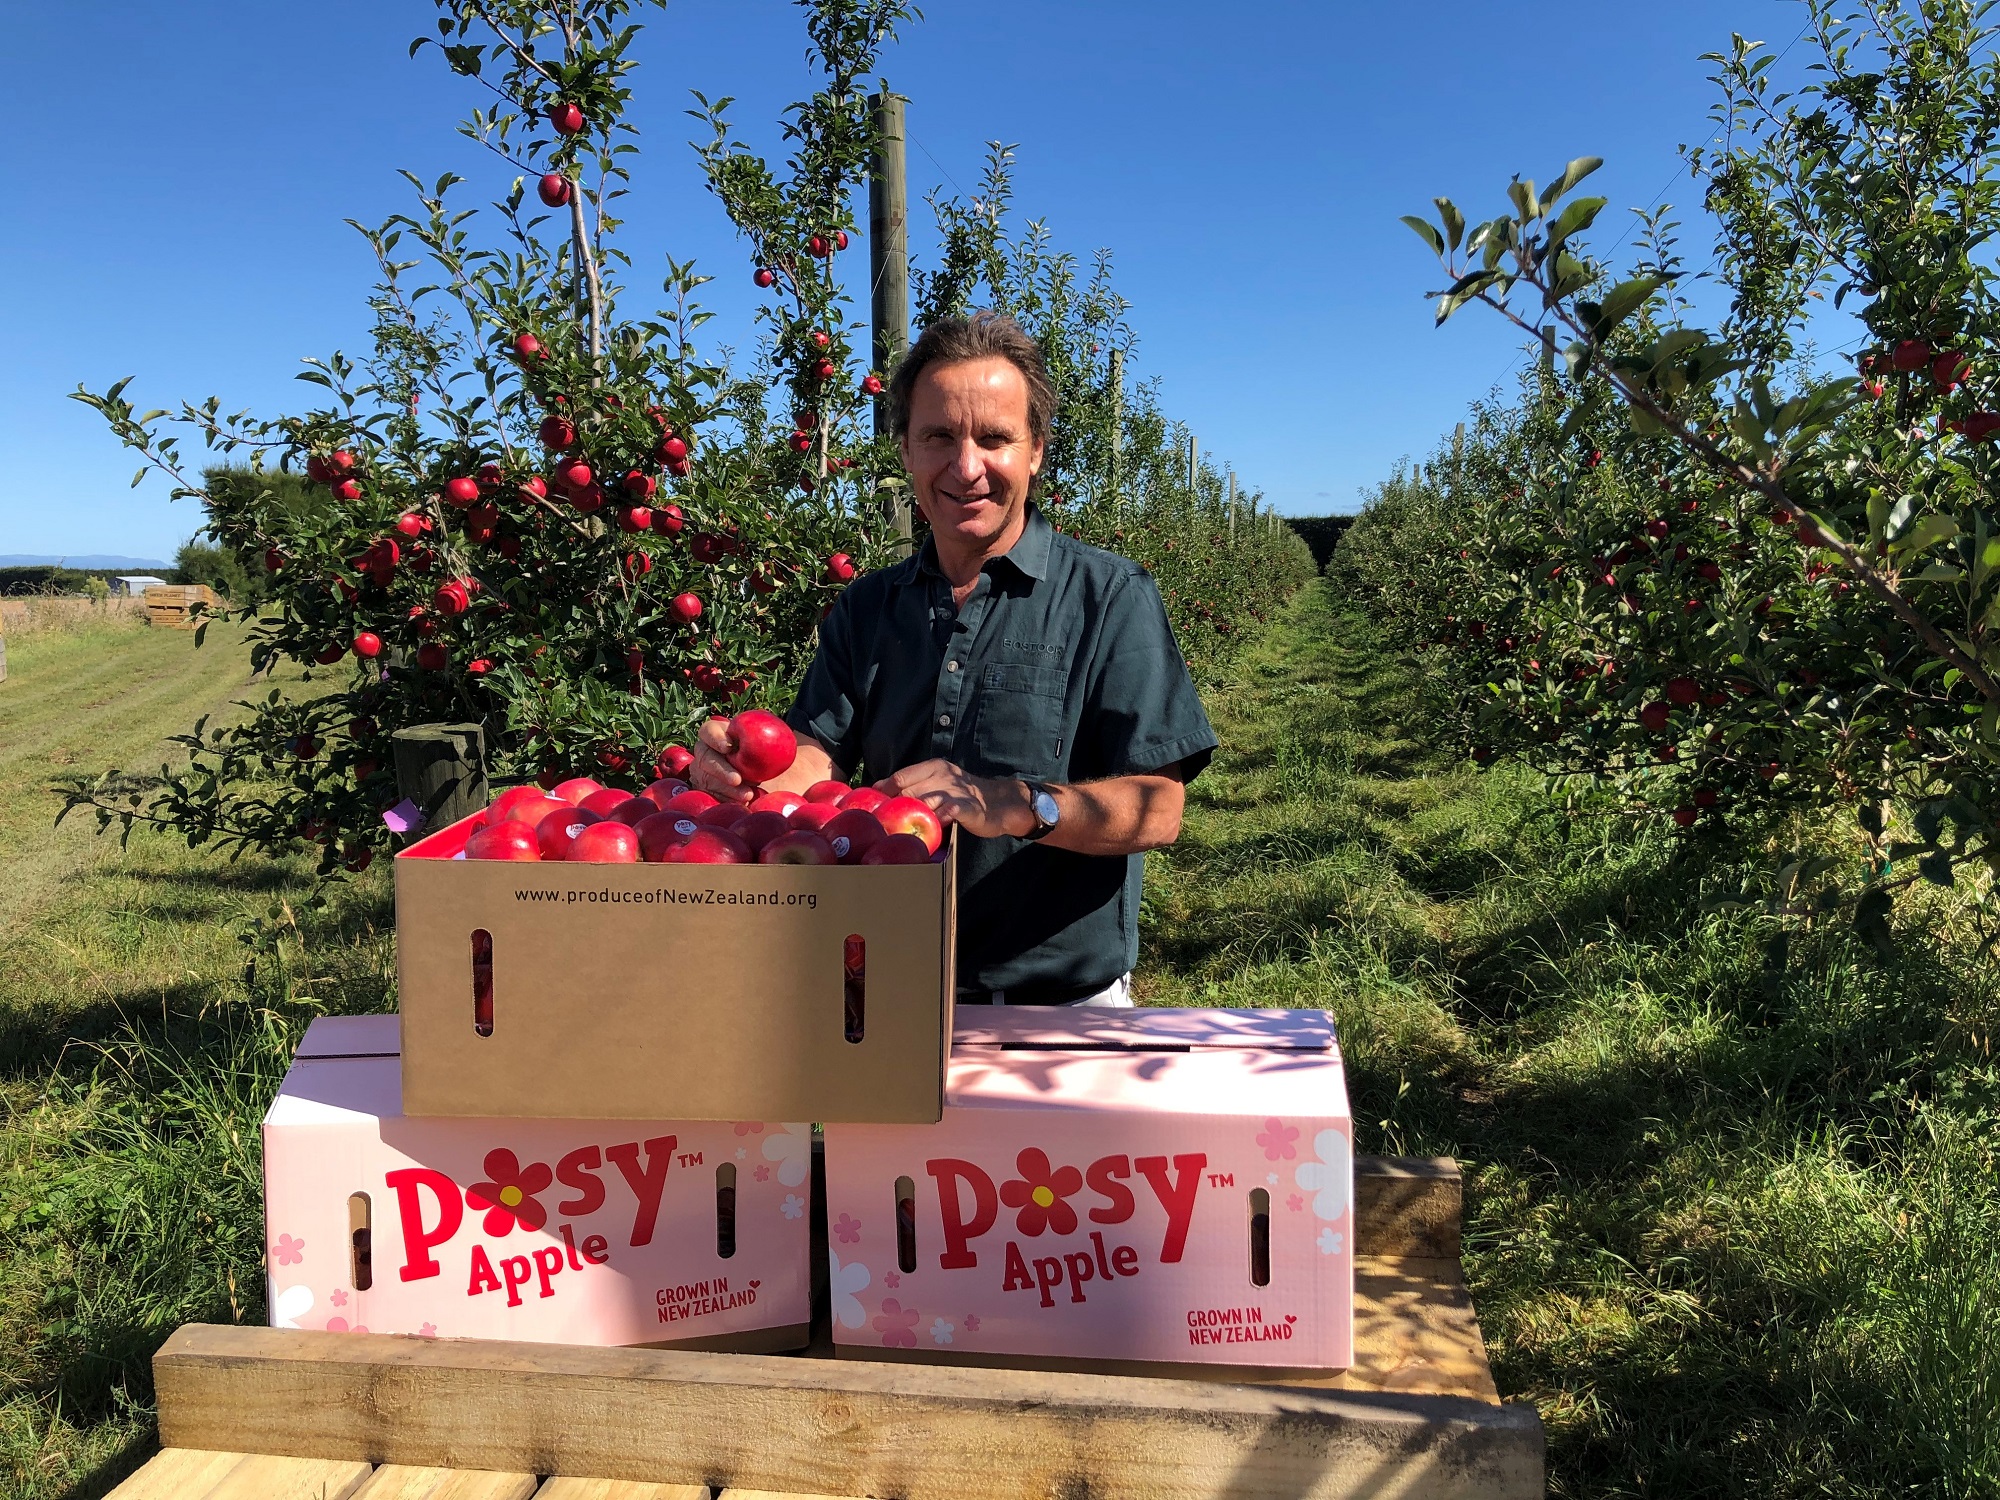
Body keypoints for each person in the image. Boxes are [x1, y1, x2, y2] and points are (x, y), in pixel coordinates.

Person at [693, 311, 1216, 1006]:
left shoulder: (1110, 597)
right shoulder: (868, 608)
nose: (966, 467)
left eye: (994, 438)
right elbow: (819, 757)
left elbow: (1158, 809)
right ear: (906, 450)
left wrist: (1017, 802)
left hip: (1057, 1005)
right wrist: (744, 769)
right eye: (939, 436)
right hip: (884, 984)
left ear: (1034, 452)